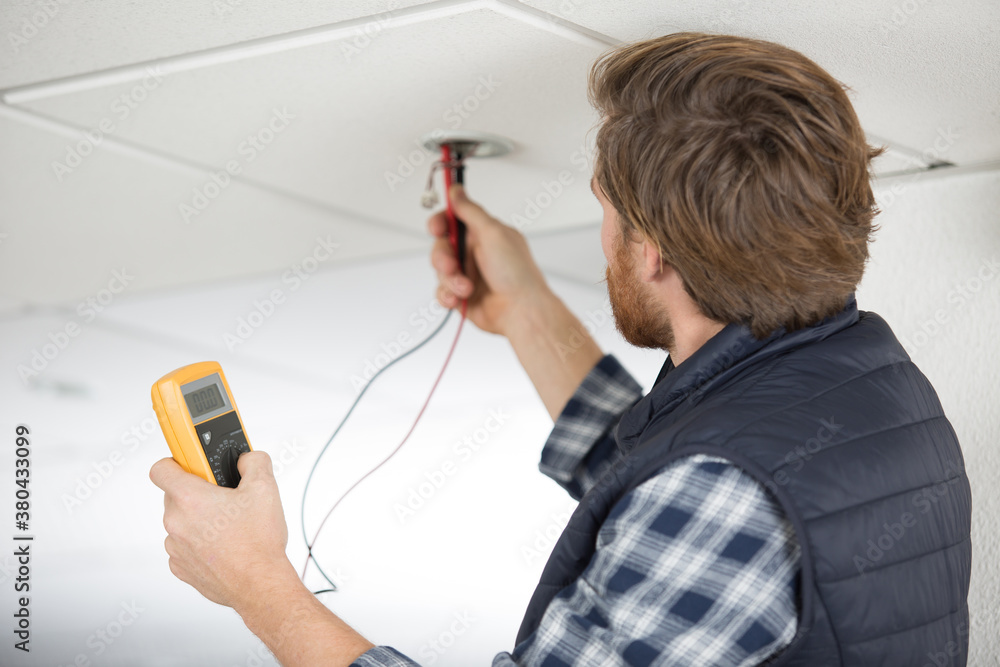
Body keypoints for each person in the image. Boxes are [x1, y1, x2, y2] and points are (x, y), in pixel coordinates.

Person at [150, 32, 972, 666]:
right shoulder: (867, 380)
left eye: (606, 208)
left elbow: (701, 498)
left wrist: (258, 583)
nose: (601, 228)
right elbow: (688, 476)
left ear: (653, 252)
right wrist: (530, 312)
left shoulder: (719, 493)